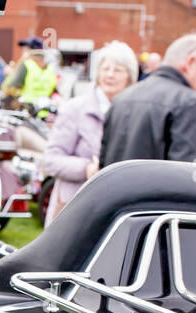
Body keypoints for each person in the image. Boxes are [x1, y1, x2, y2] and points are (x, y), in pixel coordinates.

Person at [41, 41, 138, 225]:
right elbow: (50, 160)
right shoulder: (75, 108)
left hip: (116, 211)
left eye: (118, 70)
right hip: (73, 210)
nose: (110, 75)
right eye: (105, 68)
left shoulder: (135, 114)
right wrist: (86, 169)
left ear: (129, 77)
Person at [99, 33, 196, 167]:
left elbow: (104, 164)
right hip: (158, 188)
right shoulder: (188, 103)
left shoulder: (122, 98)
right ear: (190, 63)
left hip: (116, 187)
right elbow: (190, 177)